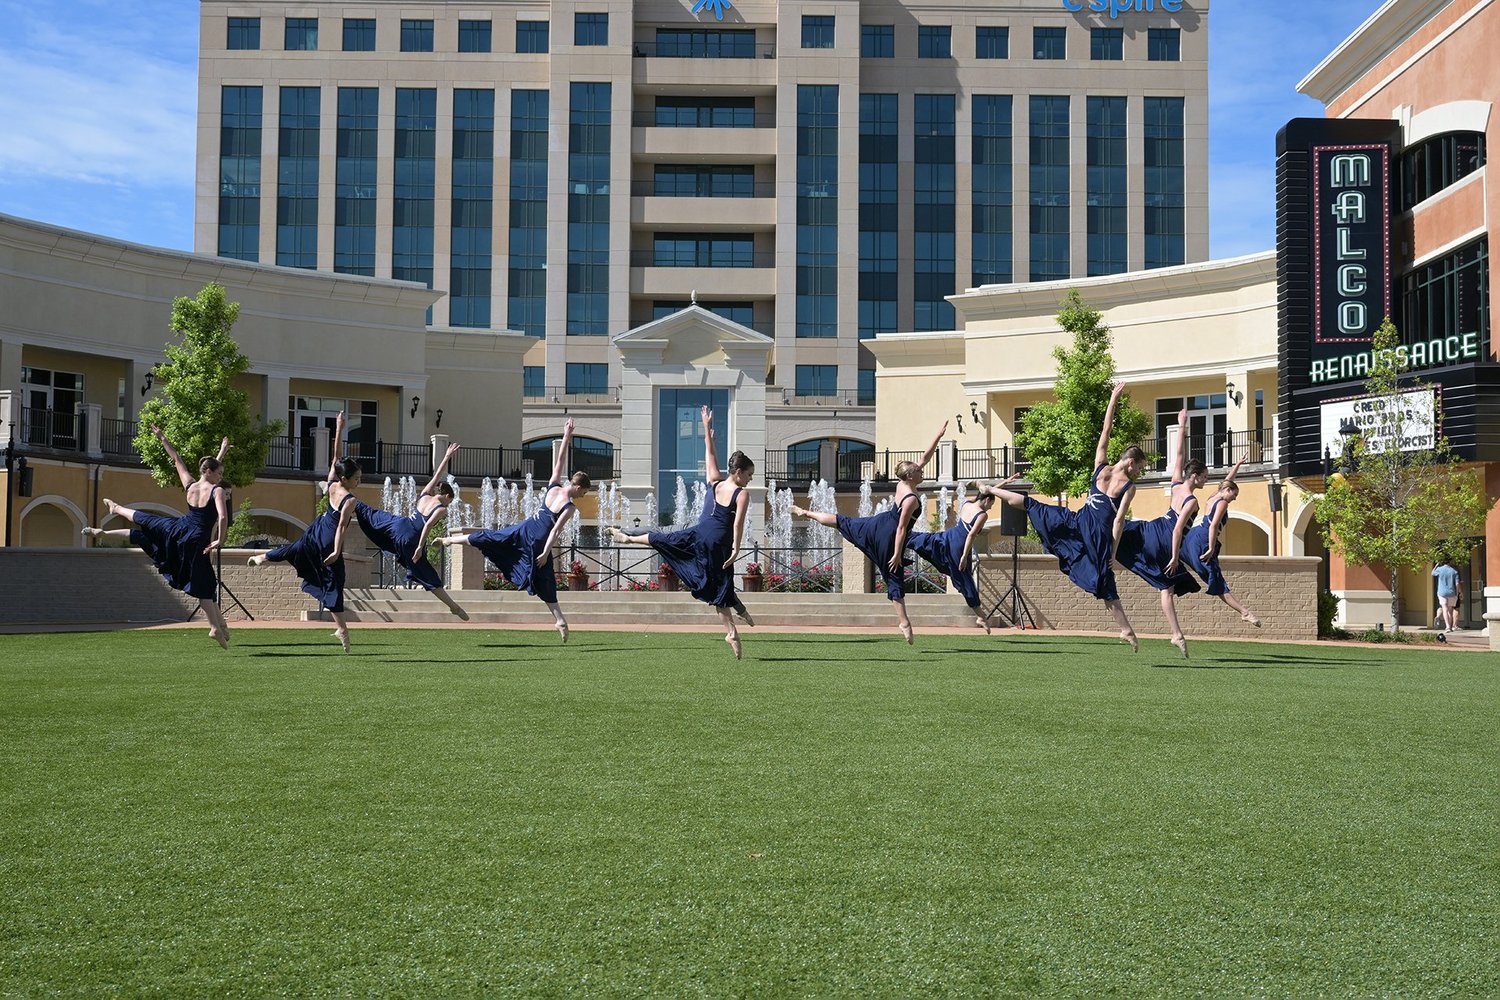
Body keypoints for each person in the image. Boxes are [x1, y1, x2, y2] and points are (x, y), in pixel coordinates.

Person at [980, 383, 1145, 650]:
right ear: (1130, 462)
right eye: (1140, 466)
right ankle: (1126, 630)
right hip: (1096, 535)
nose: (1140, 471)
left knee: (1033, 505)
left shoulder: (1100, 465)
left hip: (1077, 521)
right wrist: (1112, 551)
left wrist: (1113, 399)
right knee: (1105, 580)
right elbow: (1118, 520)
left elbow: (1106, 430)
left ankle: (992, 490)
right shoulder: (1128, 486)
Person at [610, 406, 755, 659]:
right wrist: (737, 549)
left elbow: (710, 455)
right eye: (750, 475)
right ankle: (731, 630)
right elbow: (738, 524)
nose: (751, 479)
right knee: (718, 589)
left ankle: (628, 537)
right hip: (718, 545)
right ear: (739, 472)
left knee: (664, 540)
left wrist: (707, 431)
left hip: (698, 534)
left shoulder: (715, 482)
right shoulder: (741, 493)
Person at [792, 420, 948, 644]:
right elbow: (902, 529)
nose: (922, 470)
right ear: (911, 475)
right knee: (894, 576)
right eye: (918, 470)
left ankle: (806, 512)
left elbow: (926, 456)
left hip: (877, 523)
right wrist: (896, 554)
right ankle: (904, 622)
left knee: (842, 521)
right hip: (889, 534)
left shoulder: (903, 484)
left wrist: (938, 436)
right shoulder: (912, 499)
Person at [439, 418, 589, 643]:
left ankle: (452, 540)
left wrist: (566, 435)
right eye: (584, 492)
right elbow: (555, 532)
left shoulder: (554, 484)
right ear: (577, 487)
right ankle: (560, 620)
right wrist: (546, 552)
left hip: (524, 528)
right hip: (538, 540)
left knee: (494, 537)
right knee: (544, 579)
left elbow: (559, 459)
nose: (583, 495)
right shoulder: (570, 507)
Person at [82, 425, 233, 649]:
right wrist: (220, 540)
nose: (221, 478)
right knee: (202, 584)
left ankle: (117, 509)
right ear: (209, 472)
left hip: (179, 529)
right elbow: (222, 517)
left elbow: (177, 459)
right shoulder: (217, 491)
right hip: (197, 539)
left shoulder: (191, 486)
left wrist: (162, 437)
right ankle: (214, 627)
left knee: (149, 522)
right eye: (219, 474)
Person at [248, 410, 360, 651]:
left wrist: (339, 428)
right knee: (335, 582)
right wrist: (337, 552)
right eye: (357, 478)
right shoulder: (349, 500)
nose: (359, 481)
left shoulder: (332, 482)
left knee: (296, 548)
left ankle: (264, 557)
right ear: (346, 478)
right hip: (330, 538)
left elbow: (335, 458)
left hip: (317, 530)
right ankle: (342, 629)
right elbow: (341, 527)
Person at [1115, 406, 1204, 658]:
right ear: (1195, 477)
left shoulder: (1177, 484)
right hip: (1165, 540)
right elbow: (1178, 531)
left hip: (1151, 529)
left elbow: (1178, 454)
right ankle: (1175, 634)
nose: (1206, 481)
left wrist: (1182, 426)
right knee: (1166, 587)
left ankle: (1177, 635)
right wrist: (1175, 557)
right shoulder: (1192, 502)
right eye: (1204, 477)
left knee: (1122, 530)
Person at [353, 441, 469, 620]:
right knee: (427, 574)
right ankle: (453, 607)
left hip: (398, 524)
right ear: (447, 496)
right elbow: (428, 527)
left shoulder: (426, 494)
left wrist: (446, 457)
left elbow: (436, 475)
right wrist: (419, 548)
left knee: (370, 513)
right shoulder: (441, 509)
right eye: (450, 501)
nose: (449, 505)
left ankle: (343, 497)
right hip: (410, 537)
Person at [1180, 452, 1263, 627]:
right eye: (1234, 494)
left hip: (1193, 536)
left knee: (1205, 574)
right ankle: (1245, 612)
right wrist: (1210, 548)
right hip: (1203, 539)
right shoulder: (1223, 502)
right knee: (1216, 579)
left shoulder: (1213, 497)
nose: (1235, 498)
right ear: (1227, 491)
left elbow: (1227, 481)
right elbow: (1214, 525)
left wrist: (1238, 465)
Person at [907, 483, 996, 632]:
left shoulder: (968, 503)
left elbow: (985, 493)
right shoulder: (982, 515)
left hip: (949, 536)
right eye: (991, 504)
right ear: (986, 500)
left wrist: (1004, 483)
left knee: (926, 540)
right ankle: (980, 616)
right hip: (959, 546)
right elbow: (971, 535)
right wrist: (964, 556)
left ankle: (899, 536)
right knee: (965, 579)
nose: (990, 508)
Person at [1432, 556, 1462, 633]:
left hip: (1442, 592)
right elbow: (1457, 583)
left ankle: (1447, 627)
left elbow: (1432, 573)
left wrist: (1436, 565)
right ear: (1450, 561)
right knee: (1450, 610)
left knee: (1444, 609)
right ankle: (1451, 627)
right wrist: (1459, 592)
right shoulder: (1454, 571)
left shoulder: (1440, 569)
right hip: (1452, 592)